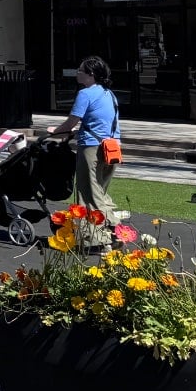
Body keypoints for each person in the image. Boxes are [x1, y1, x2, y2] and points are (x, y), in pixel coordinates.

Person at [47, 55, 122, 250]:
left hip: (92, 148)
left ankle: (99, 237)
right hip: (112, 147)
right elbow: (101, 122)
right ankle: (113, 227)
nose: (77, 73)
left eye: (80, 71)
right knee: (101, 192)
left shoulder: (85, 94)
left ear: (90, 75)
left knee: (88, 192)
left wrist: (56, 131)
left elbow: (72, 120)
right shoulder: (109, 94)